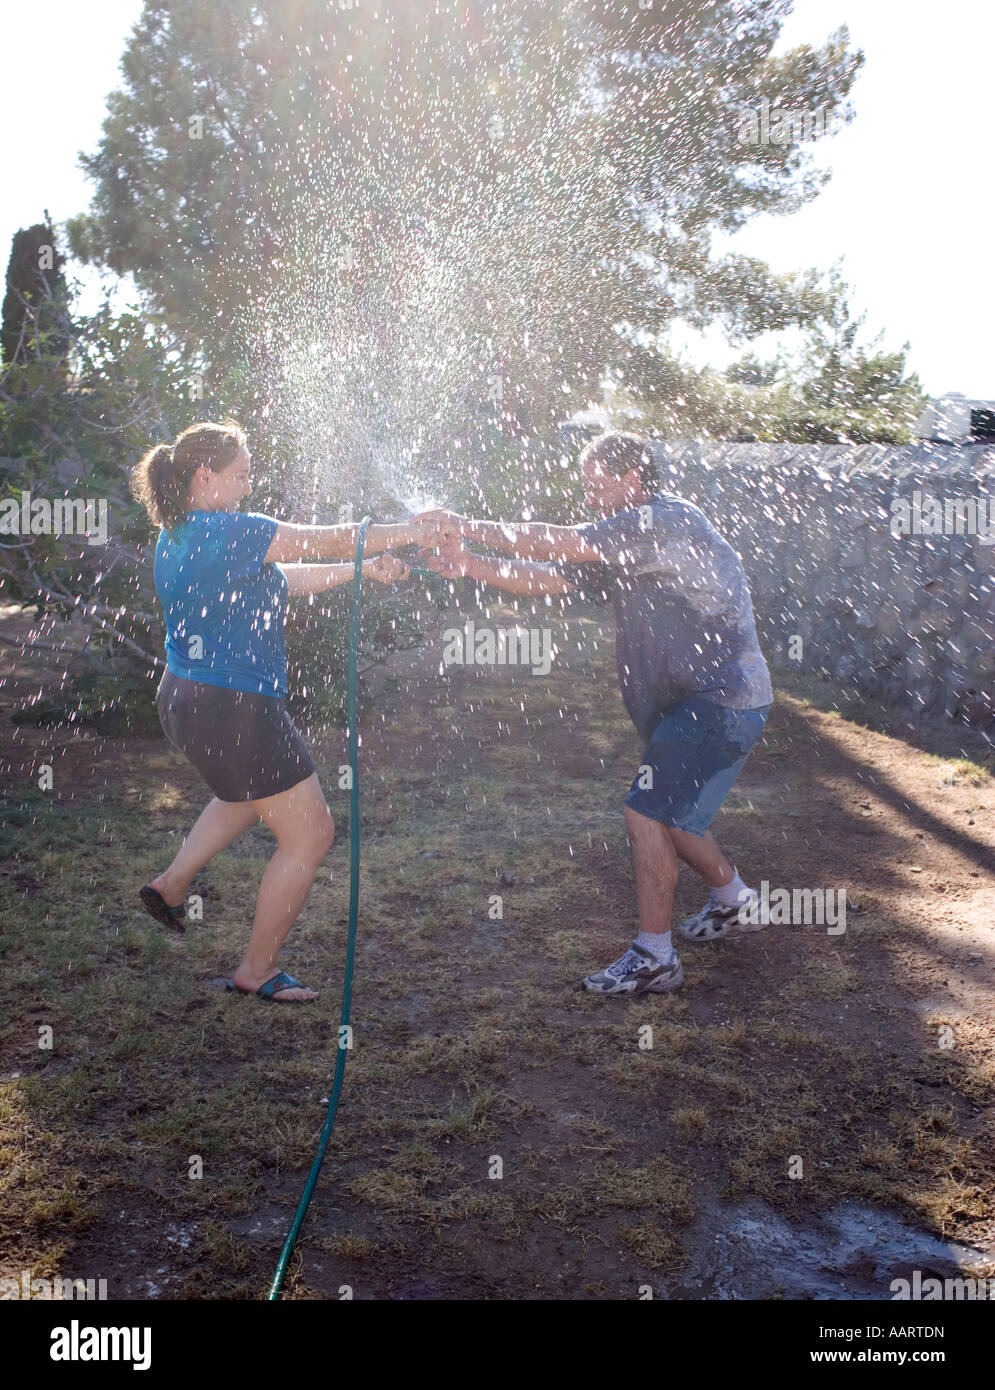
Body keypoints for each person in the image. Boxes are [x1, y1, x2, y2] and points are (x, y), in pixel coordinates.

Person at [417, 430, 773, 997]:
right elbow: (550, 578)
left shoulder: (662, 522)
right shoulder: (624, 542)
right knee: (672, 813)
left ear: (631, 479)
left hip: (720, 698)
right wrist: (470, 562)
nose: (588, 497)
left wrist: (468, 525)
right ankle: (736, 902)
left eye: (595, 485)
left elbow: (562, 542)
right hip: (701, 700)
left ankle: (654, 957)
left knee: (646, 814)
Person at [131, 420, 428, 1003]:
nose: (247, 487)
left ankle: (172, 884)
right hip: (235, 707)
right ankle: (257, 970)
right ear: (204, 474)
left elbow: (280, 580)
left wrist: (362, 571)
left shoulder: (179, 534)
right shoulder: (236, 529)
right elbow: (335, 536)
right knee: (312, 834)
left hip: (182, 699)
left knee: (243, 796)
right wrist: (410, 531)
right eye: (240, 475)